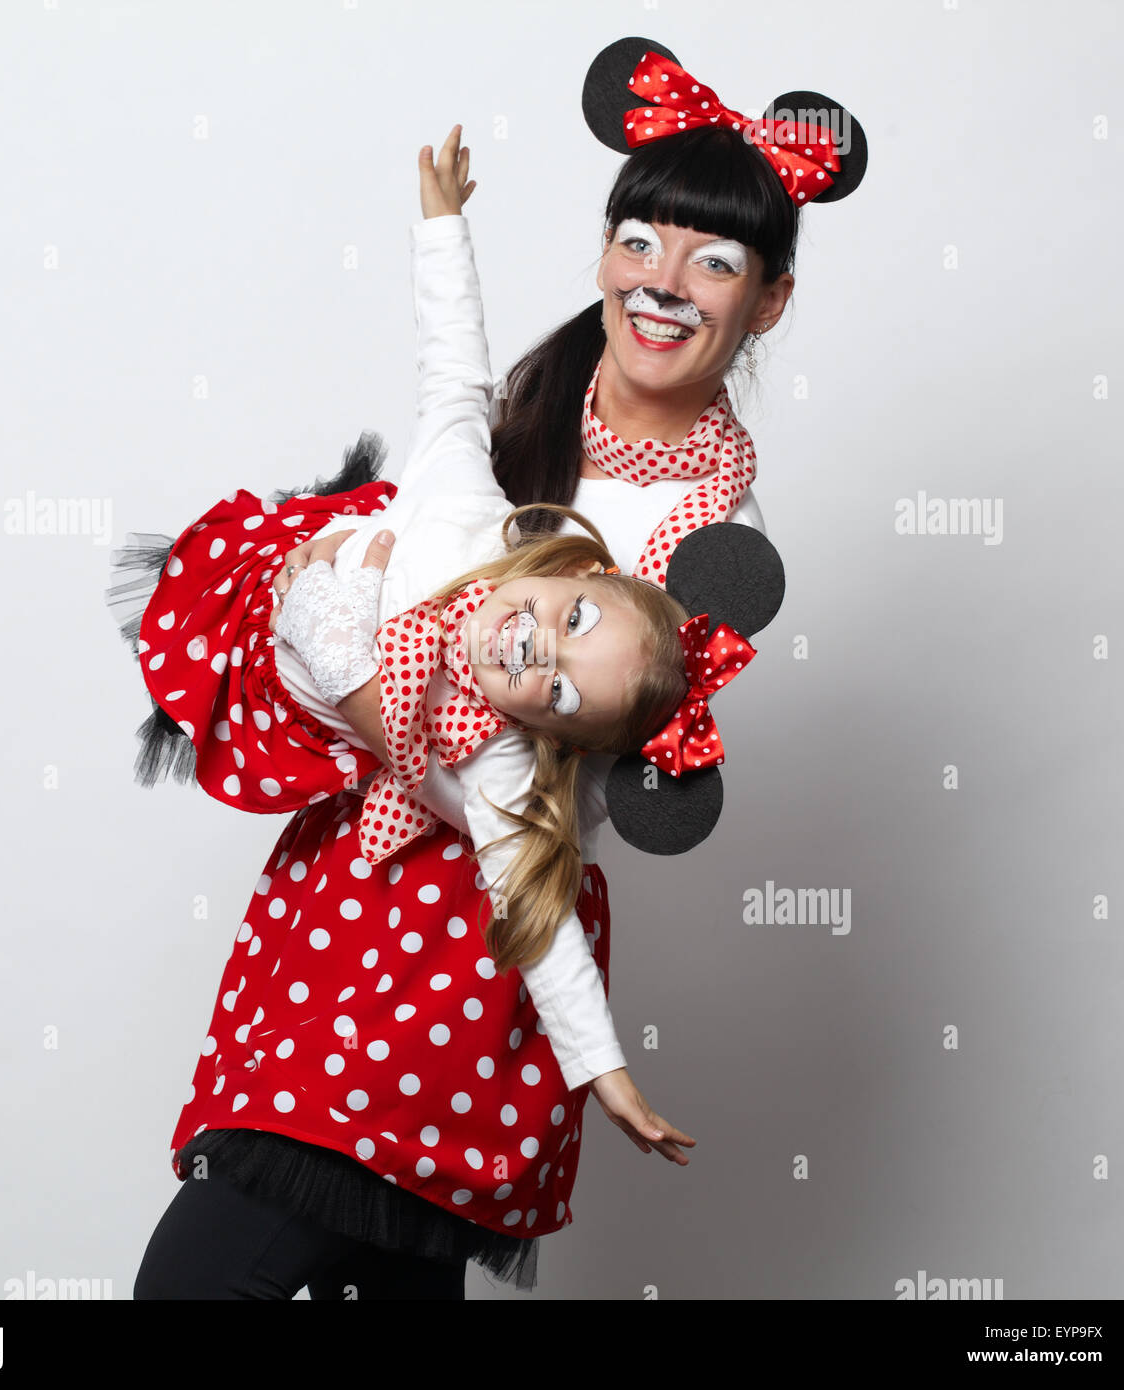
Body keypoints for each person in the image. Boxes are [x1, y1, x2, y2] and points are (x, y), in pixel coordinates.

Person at [113, 39, 866, 1299]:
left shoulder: (706, 560)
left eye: (715, 261)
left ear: (768, 301)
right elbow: (439, 405)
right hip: (344, 891)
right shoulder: (521, 415)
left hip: (464, 938)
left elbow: (542, 809)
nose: (664, 285)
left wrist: (357, 666)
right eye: (641, 240)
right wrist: (343, 575)